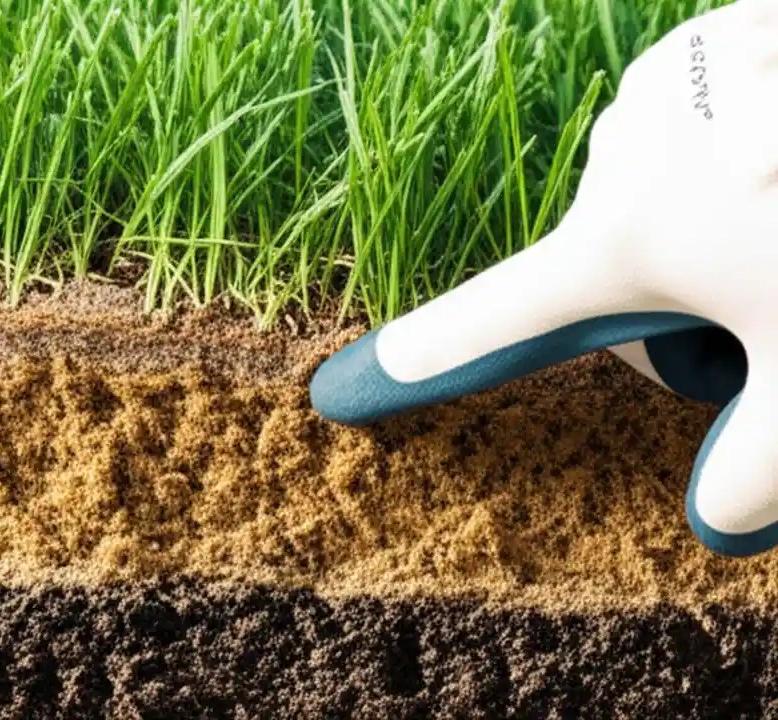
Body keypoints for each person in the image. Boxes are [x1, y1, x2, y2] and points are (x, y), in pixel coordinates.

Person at [309, 0, 778, 557]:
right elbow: (727, 517)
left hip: (708, 70)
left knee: (729, 505)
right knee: (730, 507)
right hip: (714, 84)